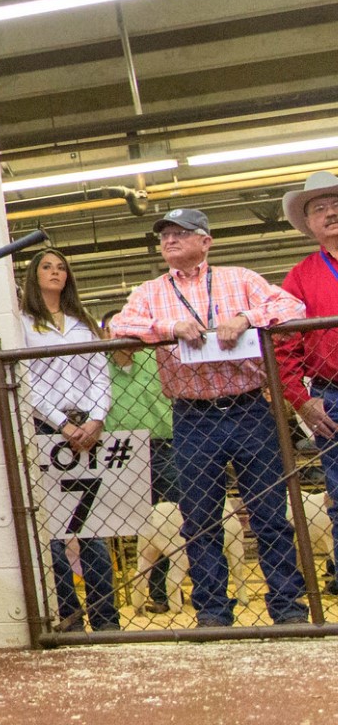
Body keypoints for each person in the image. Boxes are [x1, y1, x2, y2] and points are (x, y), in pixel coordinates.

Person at [110, 208, 308, 627]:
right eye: (164, 236)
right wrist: (170, 327)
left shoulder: (241, 279)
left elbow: (292, 308)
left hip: (251, 407)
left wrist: (246, 318)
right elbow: (119, 325)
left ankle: (288, 607)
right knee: (199, 519)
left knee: (269, 512)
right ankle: (213, 612)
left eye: (180, 234)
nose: (169, 241)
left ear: (206, 241)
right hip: (192, 416)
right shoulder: (150, 291)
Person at [17, 249, 117, 632]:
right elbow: (27, 378)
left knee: (93, 527)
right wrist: (61, 425)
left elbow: (99, 373)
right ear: (33, 276)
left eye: (61, 268)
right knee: (55, 529)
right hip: (46, 429)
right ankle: (70, 619)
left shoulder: (82, 323)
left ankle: (107, 620)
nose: (55, 272)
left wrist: (95, 419)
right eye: (47, 267)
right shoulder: (23, 323)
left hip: (89, 432)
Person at [273, 172, 338, 584]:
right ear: (309, 223)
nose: (330, 212)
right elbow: (283, 346)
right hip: (333, 395)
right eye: (319, 208)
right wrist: (301, 398)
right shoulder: (299, 277)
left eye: (335, 204)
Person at [98, 308, 178, 613]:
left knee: (168, 521)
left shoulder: (156, 357)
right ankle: (119, 594)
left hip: (163, 445)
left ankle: (159, 593)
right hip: (118, 451)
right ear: (106, 333)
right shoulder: (96, 365)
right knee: (116, 523)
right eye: (116, 327)